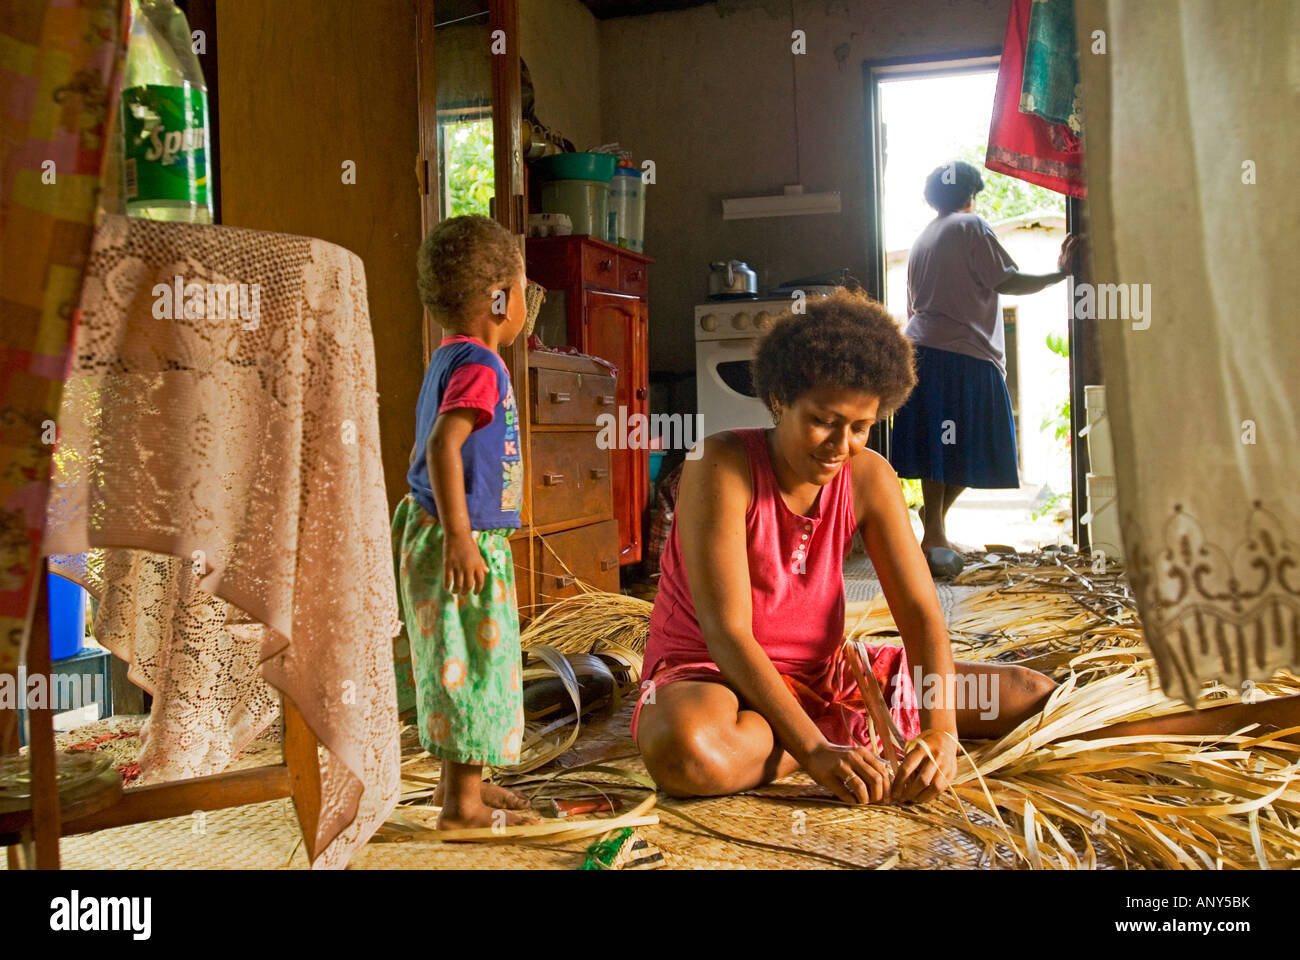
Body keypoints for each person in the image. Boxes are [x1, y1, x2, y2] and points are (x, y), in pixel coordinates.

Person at [633, 289, 1300, 805]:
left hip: (823, 680)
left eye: (861, 427)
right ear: (779, 400)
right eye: (823, 422)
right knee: (692, 753)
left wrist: (940, 732)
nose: (840, 445)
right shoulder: (719, 465)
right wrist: (814, 752)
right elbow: (726, 634)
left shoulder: (868, 477)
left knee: (1027, 694)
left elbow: (923, 617)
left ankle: (1246, 720)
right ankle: (837, 734)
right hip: (713, 679)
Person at [392, 214, 534, 830]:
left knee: (458, 661)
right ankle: (461, 806)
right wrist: (459, 536)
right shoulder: (482, 366)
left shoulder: (450, 356)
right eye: (524, 289)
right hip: (460, 537)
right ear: (500, 298)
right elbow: (445, 447)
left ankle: (462, 786)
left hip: (440, 528)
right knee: (476, 668)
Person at [890, 160, 1077, 577]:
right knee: (976, 446)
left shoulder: (925, 237)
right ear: (971, 193)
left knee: (939, 449)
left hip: (923, 349)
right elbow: (1007, 280)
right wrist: (1060, 273)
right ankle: (934, 531)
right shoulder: (970, 226)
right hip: (962, 353)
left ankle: (934, 527)